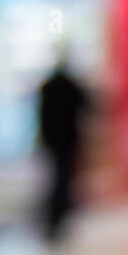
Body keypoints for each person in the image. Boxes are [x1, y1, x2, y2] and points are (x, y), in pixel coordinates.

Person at [38, 54, 90, 241]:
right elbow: (87, 105)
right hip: (66, 141)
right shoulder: (69, 85)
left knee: (57, 181)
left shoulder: (47, 86)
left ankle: (55, 220)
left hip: (54, 141)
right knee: (63, 181)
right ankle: (57, 220)